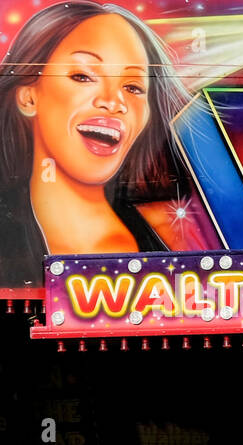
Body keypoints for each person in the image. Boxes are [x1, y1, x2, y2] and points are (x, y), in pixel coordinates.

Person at [0, 2, 191, 286]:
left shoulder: (178, 236)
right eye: (83, 76)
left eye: (133, 87)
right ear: (29, 97)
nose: (113, 102)